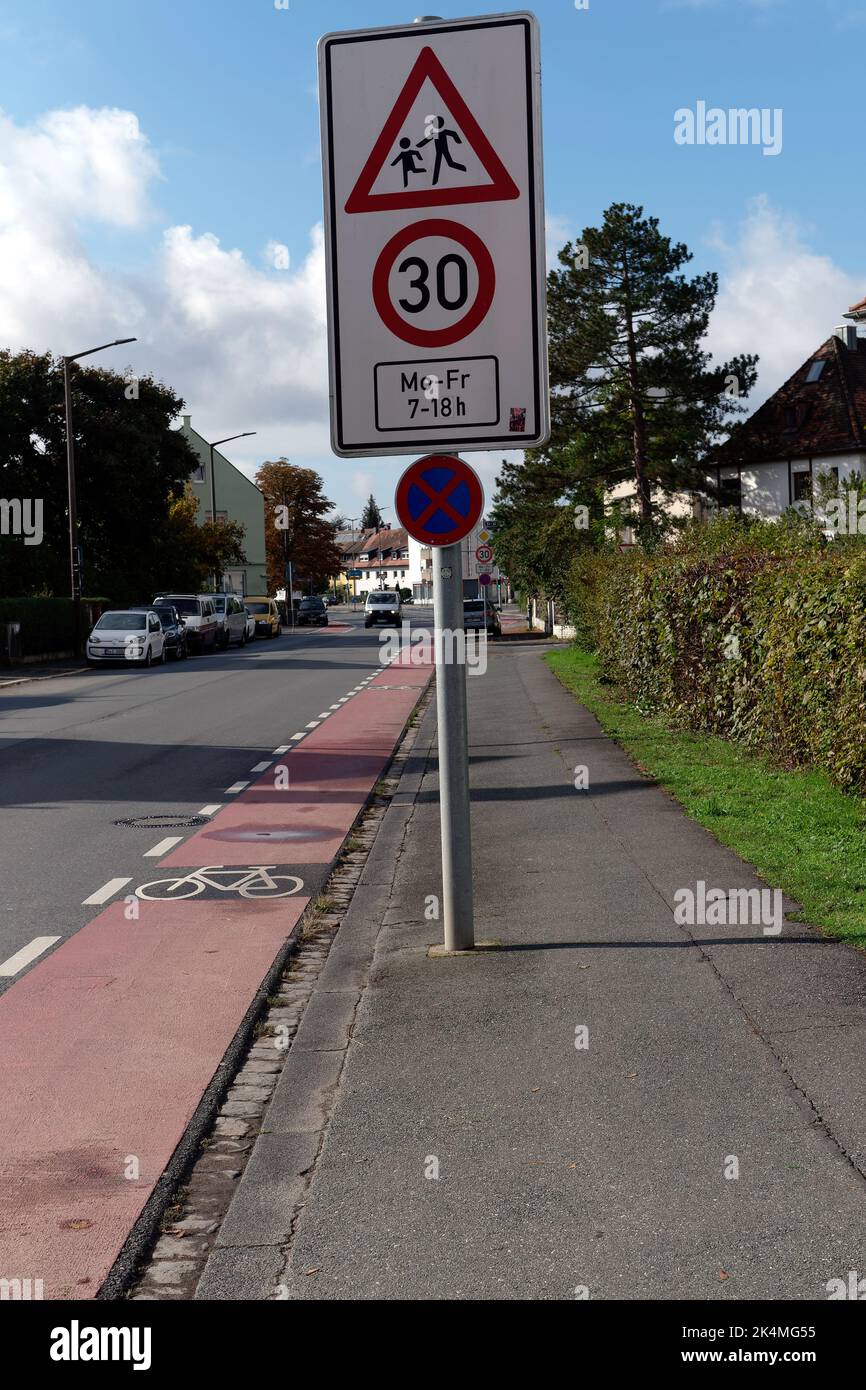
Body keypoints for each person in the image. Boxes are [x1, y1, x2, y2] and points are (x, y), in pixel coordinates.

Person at [417, 116, 467, 185]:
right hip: (439, 152)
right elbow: (427, 140)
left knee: (449, 163)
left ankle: (464, 168)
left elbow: (453, 133)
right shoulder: (435, 133)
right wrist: (419, 145)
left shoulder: (442, 132)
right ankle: (434, 181)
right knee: (441, 164)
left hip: (444, 150)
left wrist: (458, 141)